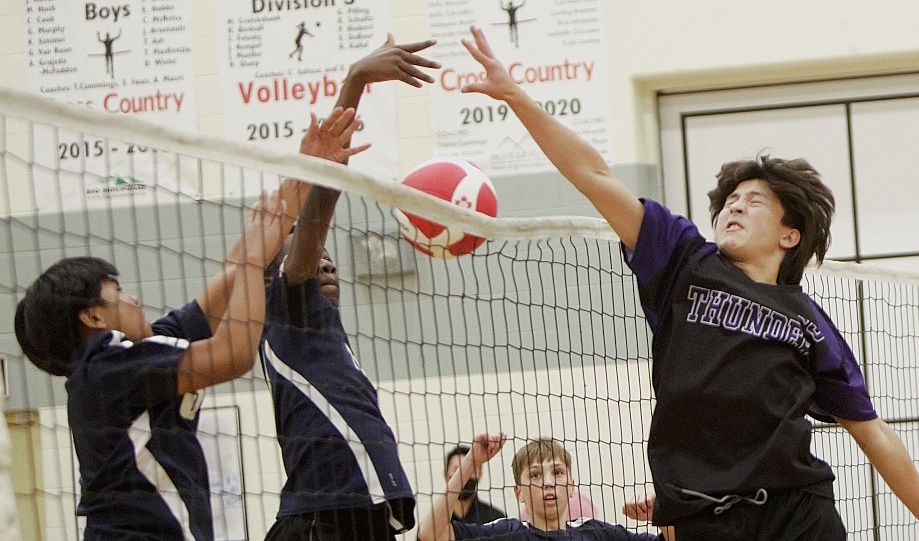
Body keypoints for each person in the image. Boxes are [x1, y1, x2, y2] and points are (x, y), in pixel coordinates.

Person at [458, 24, 919, 541]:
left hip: (798, 514)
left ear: (791, 235)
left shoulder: (809, 322)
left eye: (755, 200)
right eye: (731, 199)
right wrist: (516, 96)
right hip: (703, 522)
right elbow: (593, 175)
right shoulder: (682, 261)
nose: (735, 205)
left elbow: (872, 430)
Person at [14, 192, 286, 540]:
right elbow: (234, 355)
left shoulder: (132, 361)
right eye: (119, 290)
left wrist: (312, 168)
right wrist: (252, 259)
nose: (134, 298)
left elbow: (231, 280)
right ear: (94, 315)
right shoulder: (107, 370)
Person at [259, 35, 441, 541]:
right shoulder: (283, 307)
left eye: (324, 252)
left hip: (355, 513)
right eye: (303, 251)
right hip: (323, 520)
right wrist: (355, 81)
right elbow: (316, 212)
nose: (325, 259)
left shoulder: (318, 330)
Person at [419, 434, 673, 540]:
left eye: (557, 472)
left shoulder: (596, 533)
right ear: (519, 492)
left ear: (571, 486)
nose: (548, 482)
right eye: (536, 475)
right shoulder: (506, 532)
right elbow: (430, 534)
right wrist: (470, 462)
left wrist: (663, 516)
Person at [444, 445, 506, 524]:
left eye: (471, 470)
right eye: (457, 470)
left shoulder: (495, 519)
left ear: (479, 475)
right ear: (446, 476)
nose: (464, 476)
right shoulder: (436, 522)